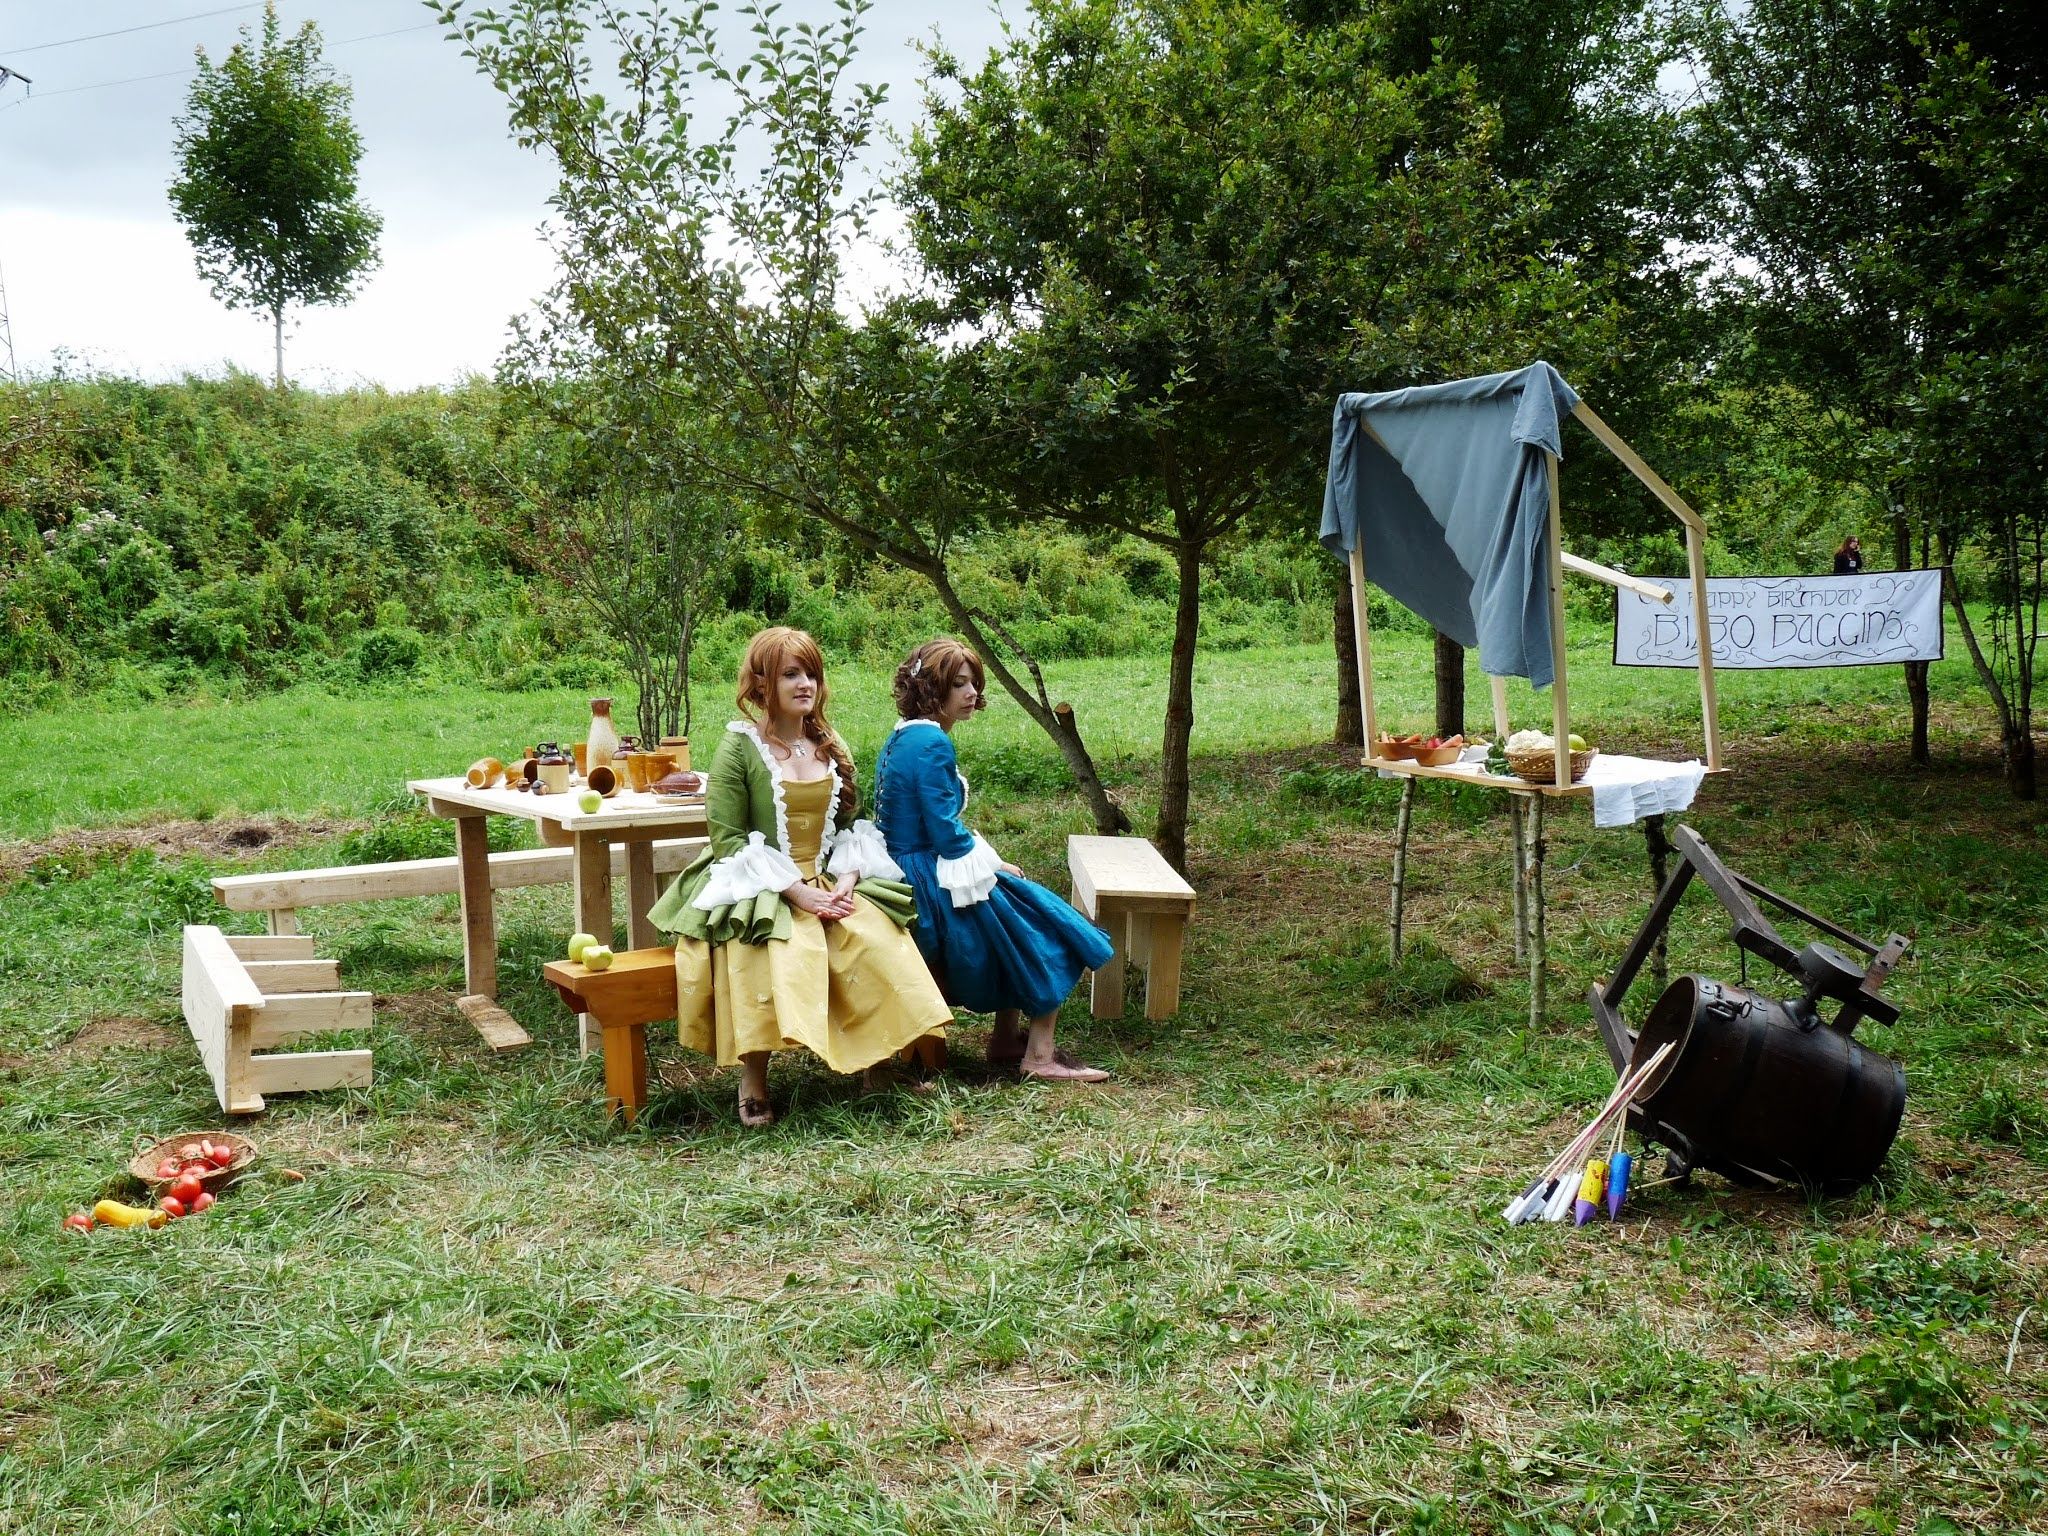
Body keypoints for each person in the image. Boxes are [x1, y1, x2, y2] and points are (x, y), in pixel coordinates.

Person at [645, 627, 952, 1126]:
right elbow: (728, 840)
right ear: (761, 683)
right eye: (791, 674)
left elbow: (850, 826)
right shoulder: (739, 746)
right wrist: (797, 893)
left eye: (811, 673)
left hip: (826, 875)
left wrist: (847, 879)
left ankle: (876, 1064)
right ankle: (753, 1080)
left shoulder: (828, 743)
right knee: (766, 951)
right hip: (758, 881)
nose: (805, 683)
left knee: (875, 935)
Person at [875, 638, 1116, 1083]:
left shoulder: (902, 736)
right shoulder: (931, 743)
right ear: (931, 689)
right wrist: (992, 865)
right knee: (1043, 923)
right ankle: (1039, 1055)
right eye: (959, 684)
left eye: (974, 683)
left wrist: (990, 862)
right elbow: (945, 833)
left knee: (1015, 911)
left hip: (908, 867)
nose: (972, 693)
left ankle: (1006, 1039)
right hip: (928, 879)